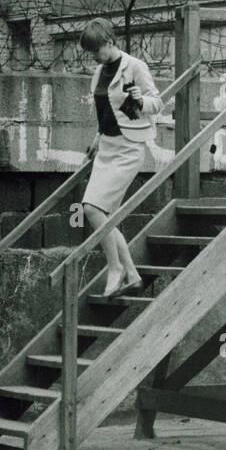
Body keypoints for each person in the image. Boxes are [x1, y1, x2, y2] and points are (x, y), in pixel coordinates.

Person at [78, 17, 163, 298]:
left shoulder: (134, 66)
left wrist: (140, 100)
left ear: (109, 41)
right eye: (90, 52)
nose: (94, 56)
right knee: (103, 215)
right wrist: (96, 138)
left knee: (92, 209)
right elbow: (105, 110)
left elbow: (157, 103)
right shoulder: (98, 72)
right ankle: (133, 275)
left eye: (96, 49)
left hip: (129, 148)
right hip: (107, 147)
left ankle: (115, 269)